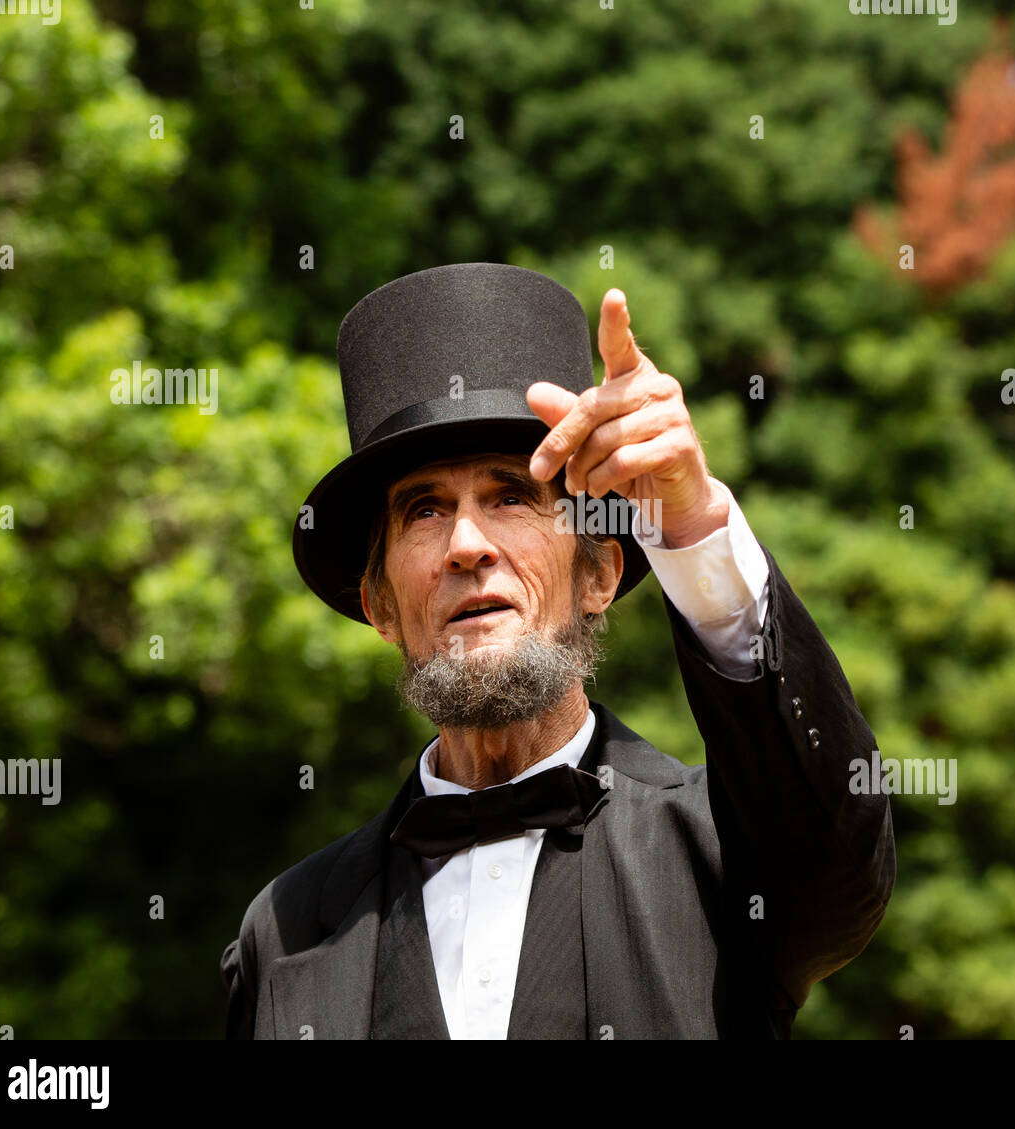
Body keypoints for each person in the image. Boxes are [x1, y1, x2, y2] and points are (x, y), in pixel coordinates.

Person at [220, 262, 895, 1039]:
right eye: (425, 509)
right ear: (380, 607)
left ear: (599, 573)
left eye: (513, 495)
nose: (467, 544)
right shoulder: (284, 932)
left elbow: (841, 864)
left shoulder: (726, 853)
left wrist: (691, 516)